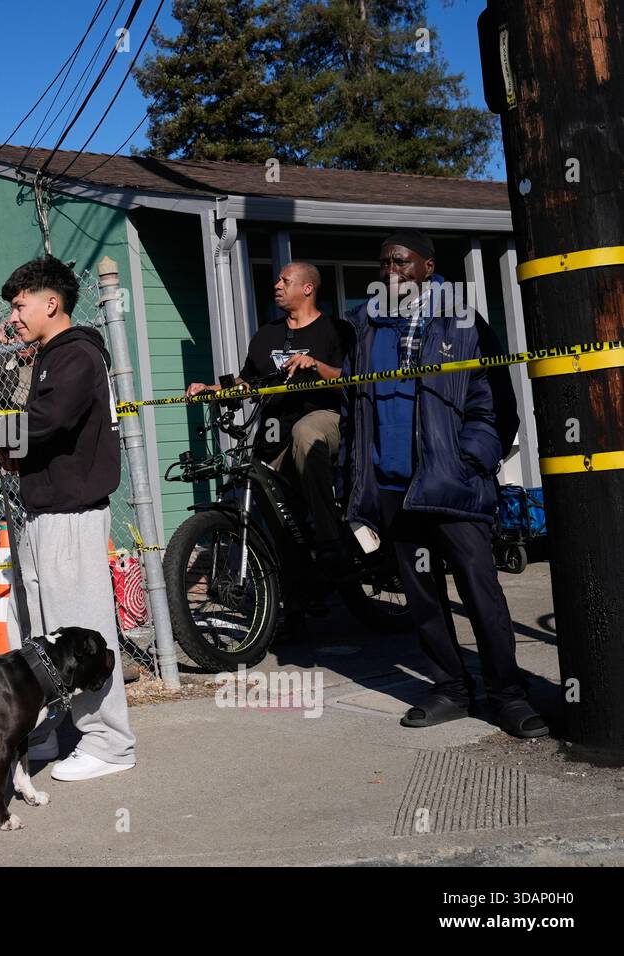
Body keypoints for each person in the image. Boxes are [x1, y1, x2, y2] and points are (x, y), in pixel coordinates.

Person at [340, 230, 547, 738]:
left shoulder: (463, 321)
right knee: (424, 599)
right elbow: (351, 407)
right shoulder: (365, 326)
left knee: (481, 593)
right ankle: (450, 688)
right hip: (393, 488)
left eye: (402, 261)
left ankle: (508, 695)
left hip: (451, 484)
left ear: (428, 268)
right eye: (385, 261)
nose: (391, 269)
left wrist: (470, 459)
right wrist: (355, 468)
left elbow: (497, 404)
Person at [0, 254, 136, 782]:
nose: (15, 316)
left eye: (20, 304)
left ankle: (110, 743)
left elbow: (47, 422)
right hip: (45, 511)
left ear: (52, 302)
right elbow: (38, 424)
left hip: (71, 514)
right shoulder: (52, 355)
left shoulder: (74, 356)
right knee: (46, 635)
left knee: (84, 632)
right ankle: (46, 728)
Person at [186, 262, 355, 577]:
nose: (276, 284)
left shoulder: (337, 330)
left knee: (306, 431)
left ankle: (328, 536)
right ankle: (290, 596)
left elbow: (350, 380)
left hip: (327, 421)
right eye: (278, 279)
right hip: (276, 432)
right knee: (270, 503)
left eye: (285, 280)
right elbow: (246, 382)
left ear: (308, 288)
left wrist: (316, 365)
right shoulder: (267, 335)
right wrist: (211, 389)